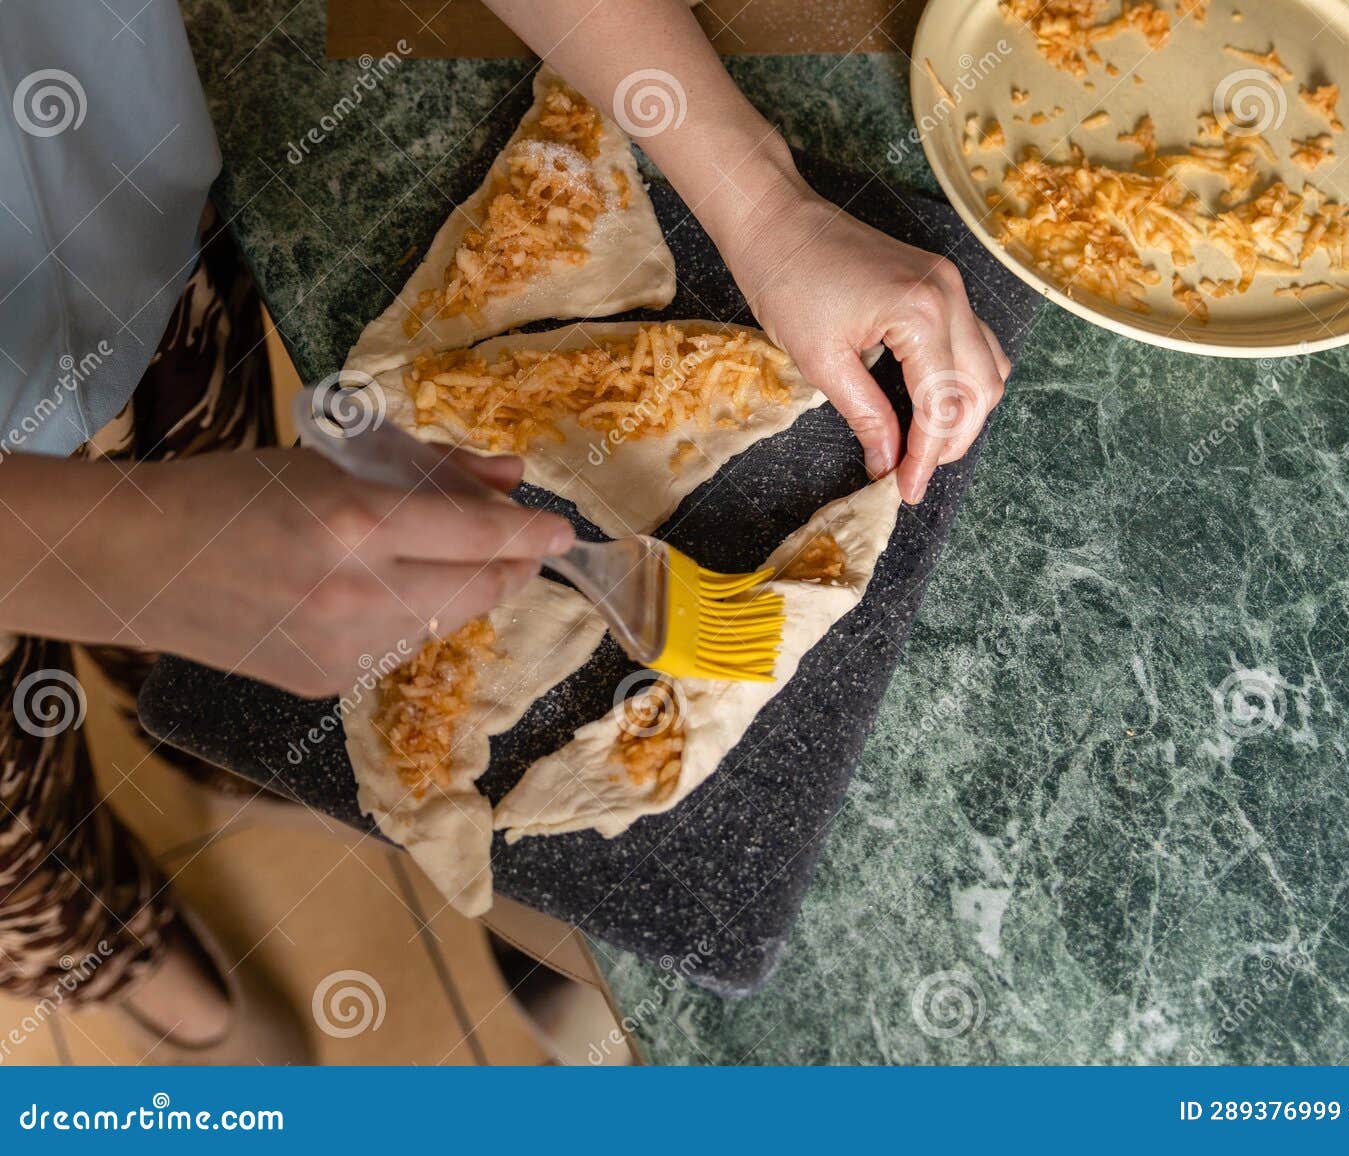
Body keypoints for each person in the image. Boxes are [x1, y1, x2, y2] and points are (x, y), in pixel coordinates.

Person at [0, 0, 1009, 1062]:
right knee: (19, 841)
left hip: (125, 231)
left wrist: (762, 206)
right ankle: (134, 968)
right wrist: (110, 553)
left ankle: (221, 766)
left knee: (208, 582)